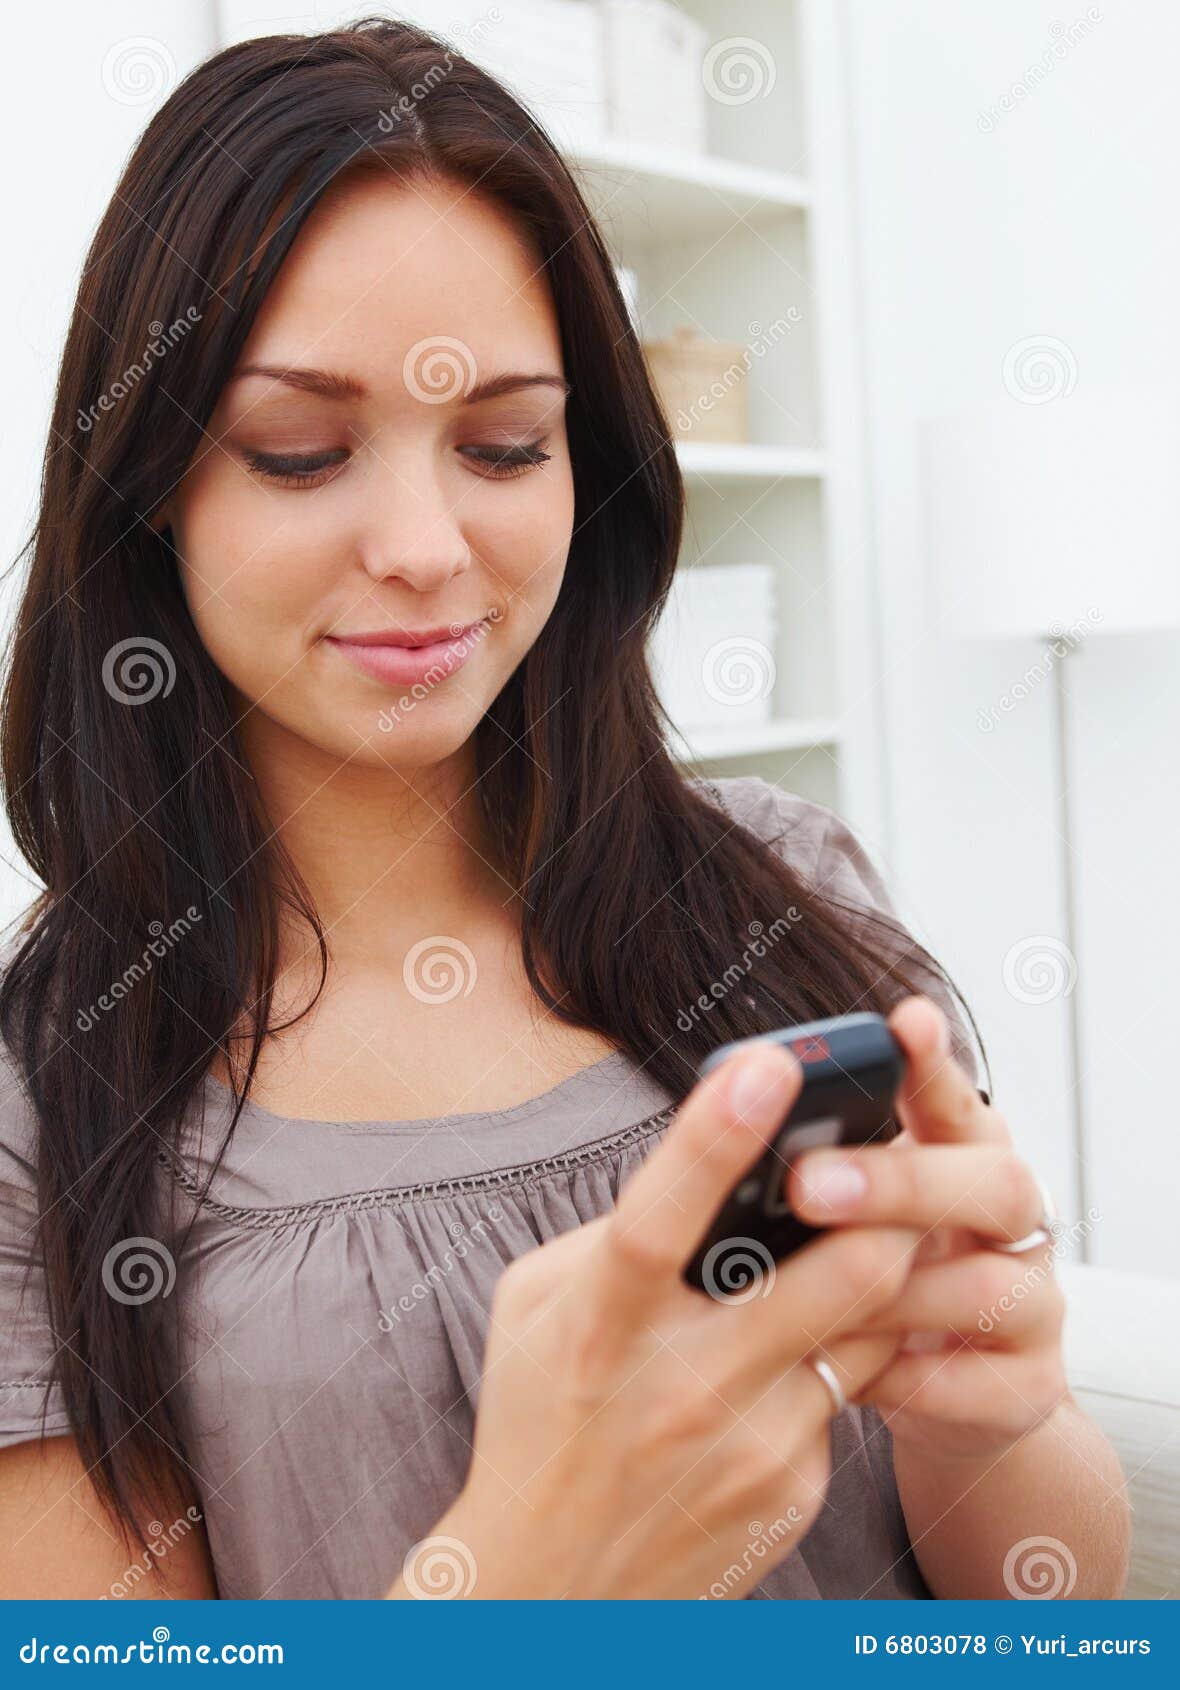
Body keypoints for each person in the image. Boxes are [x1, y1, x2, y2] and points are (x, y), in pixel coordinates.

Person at [0, 18, 1127, 1601]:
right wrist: (524, 1572)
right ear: (145, 496)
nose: (424, 545)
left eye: (505, 443)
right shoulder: (42, 1112)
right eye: (300, 451)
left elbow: (1037, 1592)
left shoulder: (784, 896)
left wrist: (988, 1426)